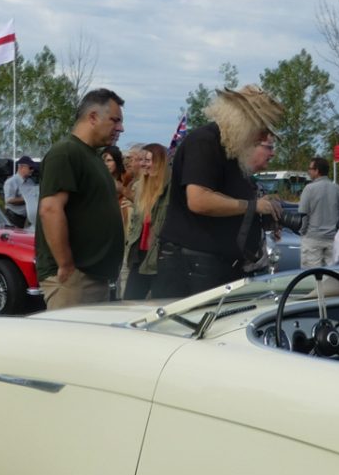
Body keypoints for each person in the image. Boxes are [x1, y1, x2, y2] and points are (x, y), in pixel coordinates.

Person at [154, 85, 286, 298]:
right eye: (260, 125)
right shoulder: (205, 141)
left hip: (214, 263)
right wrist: (253, 206)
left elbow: (227, 197)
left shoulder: (232, 150)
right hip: (194, 263)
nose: (263, 134)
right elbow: (199, 200)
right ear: (242, 119)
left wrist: (262, 207)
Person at [35, 88, 126, 309]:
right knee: (69, 342)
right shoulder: (66, 152)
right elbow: (50, 210)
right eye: (115, 120)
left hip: (93, 278)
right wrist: (66, 265)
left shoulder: (92, 156)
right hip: (74, 280)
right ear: (93, 117)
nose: (120, 128)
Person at [122, 143, 171, 301]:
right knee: (129, 302)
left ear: (161, 162)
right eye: (142, 160)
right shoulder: (141, 189)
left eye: (148, 160)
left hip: (161, 260)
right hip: (140, 256)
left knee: (159, 305)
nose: (143, 164)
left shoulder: (172, 189)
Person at [296, 156, 339, 268]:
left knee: (311, 275)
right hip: (332, 239)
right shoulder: (337, 188)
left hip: (313, 238)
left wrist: (302, 232)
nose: (308, 171)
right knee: (333, 275)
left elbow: (304, 214)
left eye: (310, 169)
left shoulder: (309, 188)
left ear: (317, 171)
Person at [3, 155, 37, 229]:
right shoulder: (11, 182)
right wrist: (27, 199)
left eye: (33, 168)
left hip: (26, 218)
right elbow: (9, 200)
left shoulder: (30, 182)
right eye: (30, 168)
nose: (32, 170)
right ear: (21, 167)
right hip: (13, 217)